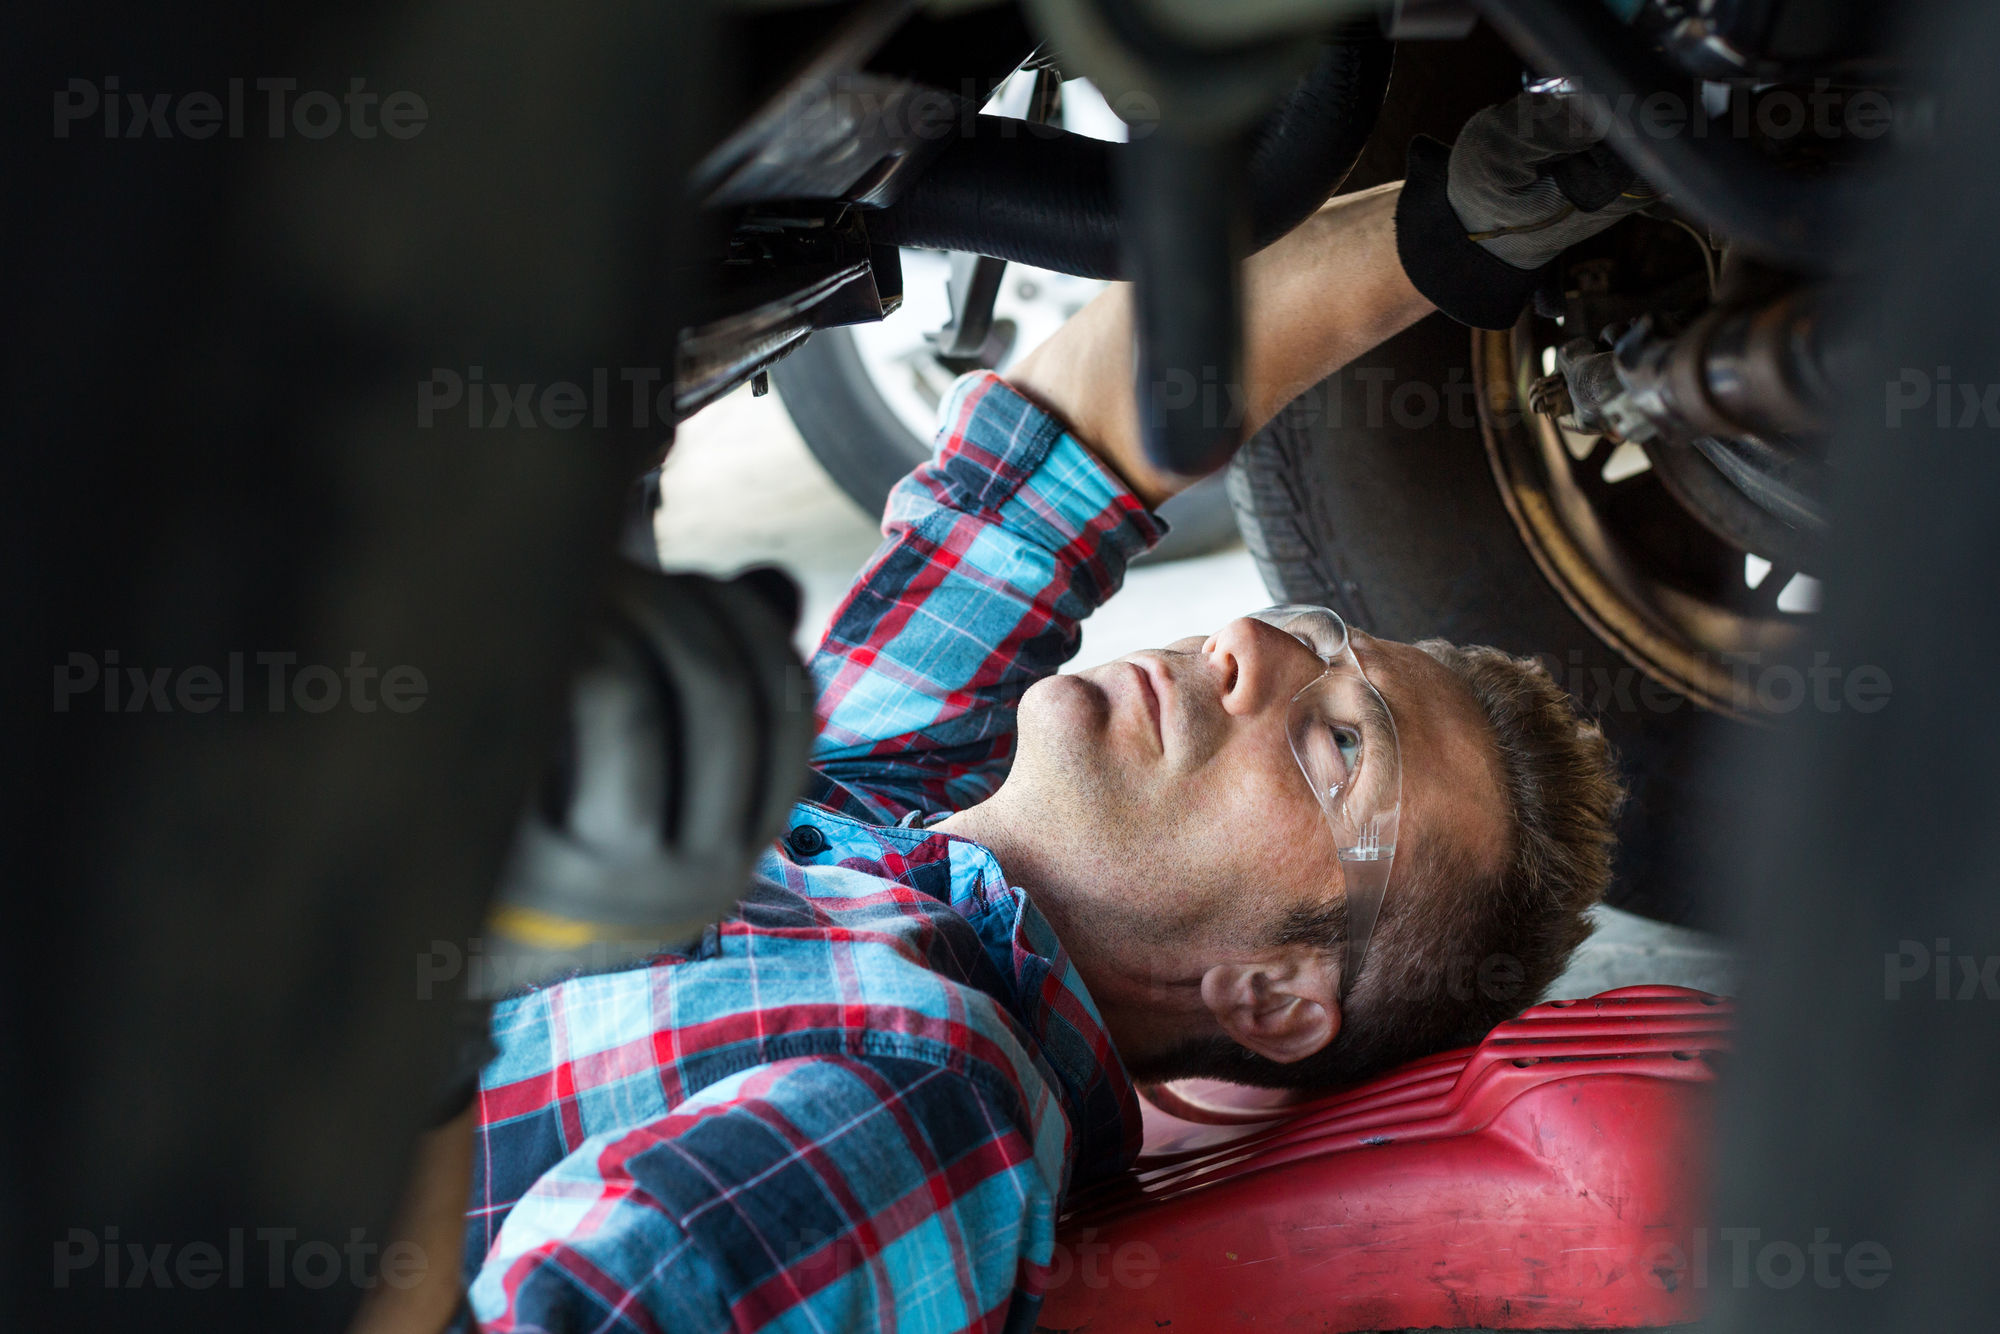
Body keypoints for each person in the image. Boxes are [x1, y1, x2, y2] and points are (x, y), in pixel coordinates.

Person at [453, 94, 1643, 1333]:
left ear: (1270, 995)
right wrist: (1446, 231)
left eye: (1338, 745)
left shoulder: (913, 1097)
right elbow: (1070, 445)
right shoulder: (879, 806)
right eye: (1307, 642)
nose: (1241, 641)